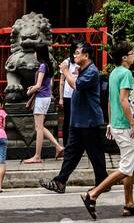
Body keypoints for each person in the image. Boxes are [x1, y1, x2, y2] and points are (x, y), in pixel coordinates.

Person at [82, 42, 134, 219]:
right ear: (124, 57)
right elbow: (123, 100)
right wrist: (133, 124)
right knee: (126, 167)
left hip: (117, 124)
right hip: (125, 125)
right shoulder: (126, 73)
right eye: (132, 53)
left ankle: (129, 203)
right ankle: (93, 194)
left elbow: (110, 101)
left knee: (130, 165)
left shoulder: (113, 73)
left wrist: (110, 123)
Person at [42, 43, 107, 194]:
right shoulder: (82, 70)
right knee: (72, 153)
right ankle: (60, 181)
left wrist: (65, 71)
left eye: (78, 53)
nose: (74, 55)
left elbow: (76, 85)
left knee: (94, 153)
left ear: (86, 56)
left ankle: (103, 183)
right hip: (78, 120)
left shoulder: (92, 72)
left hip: (89, 120)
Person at [22, 42, 63, 164]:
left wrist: (29, 91)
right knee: (40, 126)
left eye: (35, 52)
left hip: (41, 98)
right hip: (46, 98)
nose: (34, 54)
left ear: (38, 53)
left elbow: (38, 86)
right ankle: (58, 147)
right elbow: (46, 85)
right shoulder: (49, 66)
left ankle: (37, 156)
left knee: (38, 128)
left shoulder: (42, 67)